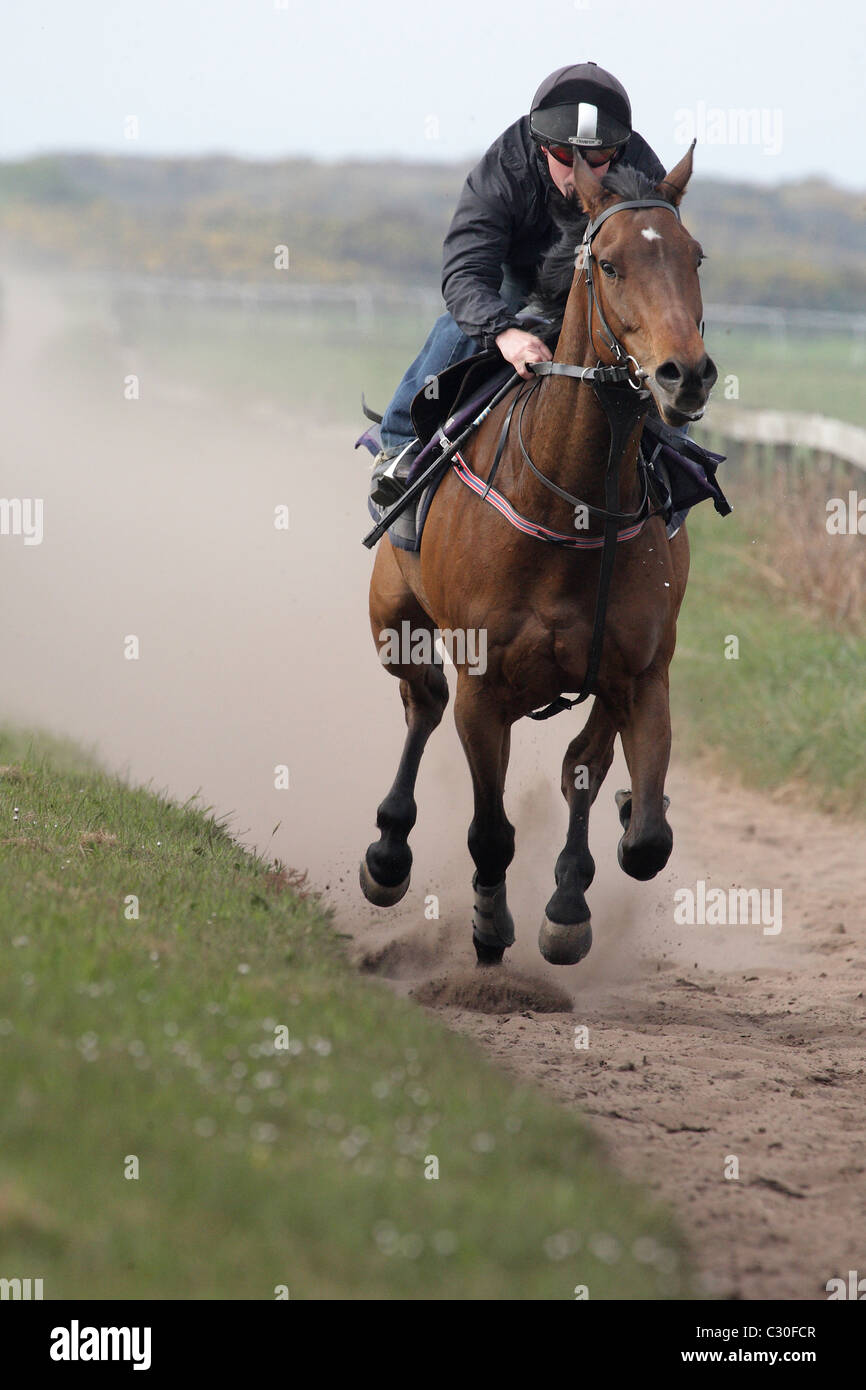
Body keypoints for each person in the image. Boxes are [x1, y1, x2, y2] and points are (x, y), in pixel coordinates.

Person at [370, 61, 666, 505]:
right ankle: (399, 445)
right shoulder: (505, 166)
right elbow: (465, 272)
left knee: (671, 337)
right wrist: (505, 333)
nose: (579, 173)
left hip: (601, 282)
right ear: (541, 146)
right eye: (566, 158)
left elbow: (660, 271)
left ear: (619, 152)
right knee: (458, 325)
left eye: (598, 159)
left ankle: (669, 461)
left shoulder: (644, 172)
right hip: (517, 277)